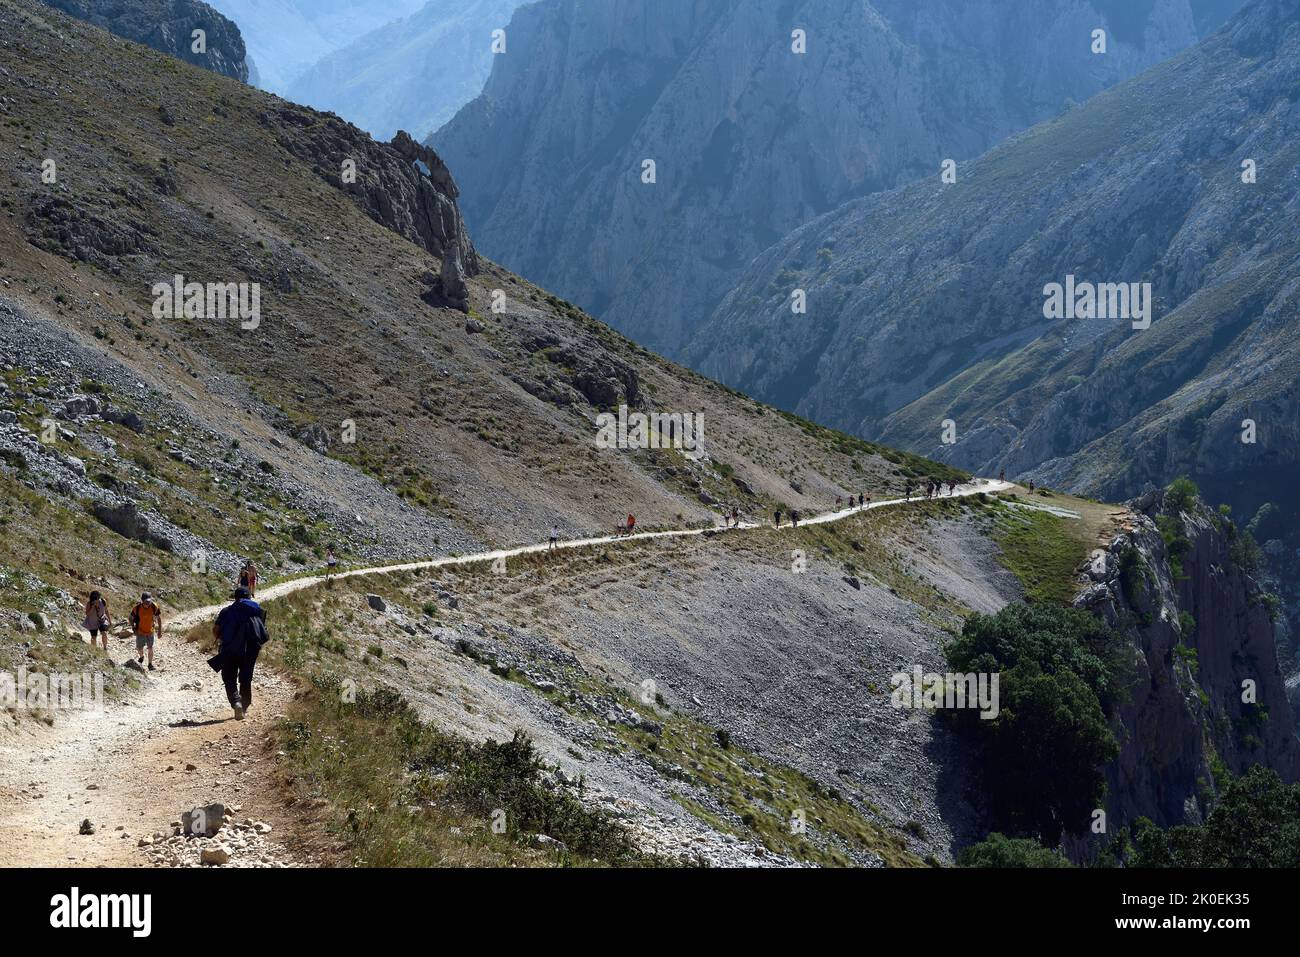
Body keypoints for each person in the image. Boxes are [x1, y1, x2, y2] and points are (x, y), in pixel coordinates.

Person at [210, 586, 267, 720]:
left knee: (229, 678)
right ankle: (245, 707)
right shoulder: (257, 611)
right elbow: (262, 631)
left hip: (229, 649)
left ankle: (236, 702)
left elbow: (216, 630)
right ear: (249, 598)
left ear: (235, 598)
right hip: (250, 650)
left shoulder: (226, 611)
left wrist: (223, 640)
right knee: (246, 678)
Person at [129, 592, 162, 670]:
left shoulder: (154, 607)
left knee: (150, 648)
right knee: (139, 648)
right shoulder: (137, 608)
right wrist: (133, 627)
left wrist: (159, 631)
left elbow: (159, 618)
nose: (147, 603)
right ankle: (141, 657)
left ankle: (150, 664)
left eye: (149, 601)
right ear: (142, 601)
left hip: (150, 631)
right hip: (140, 631)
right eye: (146, 602)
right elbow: (130, 618)